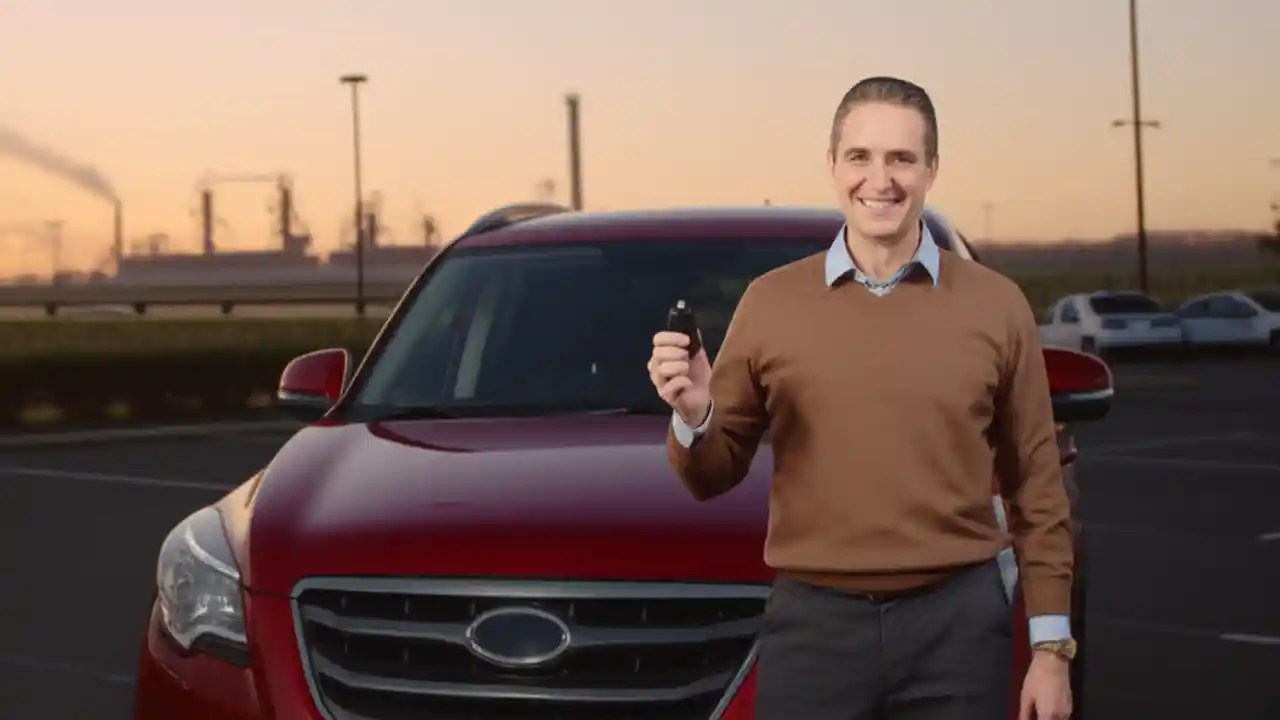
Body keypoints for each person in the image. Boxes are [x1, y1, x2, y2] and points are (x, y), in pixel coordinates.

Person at [647, 76, 1075, 719]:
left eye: (902, 158)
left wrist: (1050, 651)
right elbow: (711, 476)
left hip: (955, 628)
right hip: (814, 628)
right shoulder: (771, 302)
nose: (881, 179)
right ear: (832, 166)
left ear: (932, 168)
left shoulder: (996, 305)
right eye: (861, 157)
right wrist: (695, 415)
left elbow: (1036, 488)